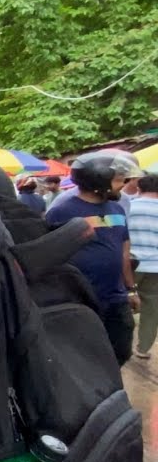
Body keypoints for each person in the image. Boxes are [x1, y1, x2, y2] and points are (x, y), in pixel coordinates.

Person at [47, 151, 143, 365]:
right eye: (119, 179)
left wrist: (131, 289)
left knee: (121, 350)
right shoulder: (61, 211)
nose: (124, 183)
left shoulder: (117, 208)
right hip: (82, 298)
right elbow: (51, 254)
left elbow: (124, 250)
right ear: (98, 179)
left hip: (116, 297)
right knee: (83, 355)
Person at [50, 153, 143, 214]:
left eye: (126, 180)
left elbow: (123, 237)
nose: (123, 185)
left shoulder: (122, 201)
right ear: (100, 180)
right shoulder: (64, 203)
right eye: (118, 180)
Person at [130, 174, 158, 360]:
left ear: (139, 188)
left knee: (122, 303)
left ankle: (119, 343)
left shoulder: (129, 206)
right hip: (155, 266)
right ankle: (143, 348)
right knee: (152, 307)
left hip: (129, 263)